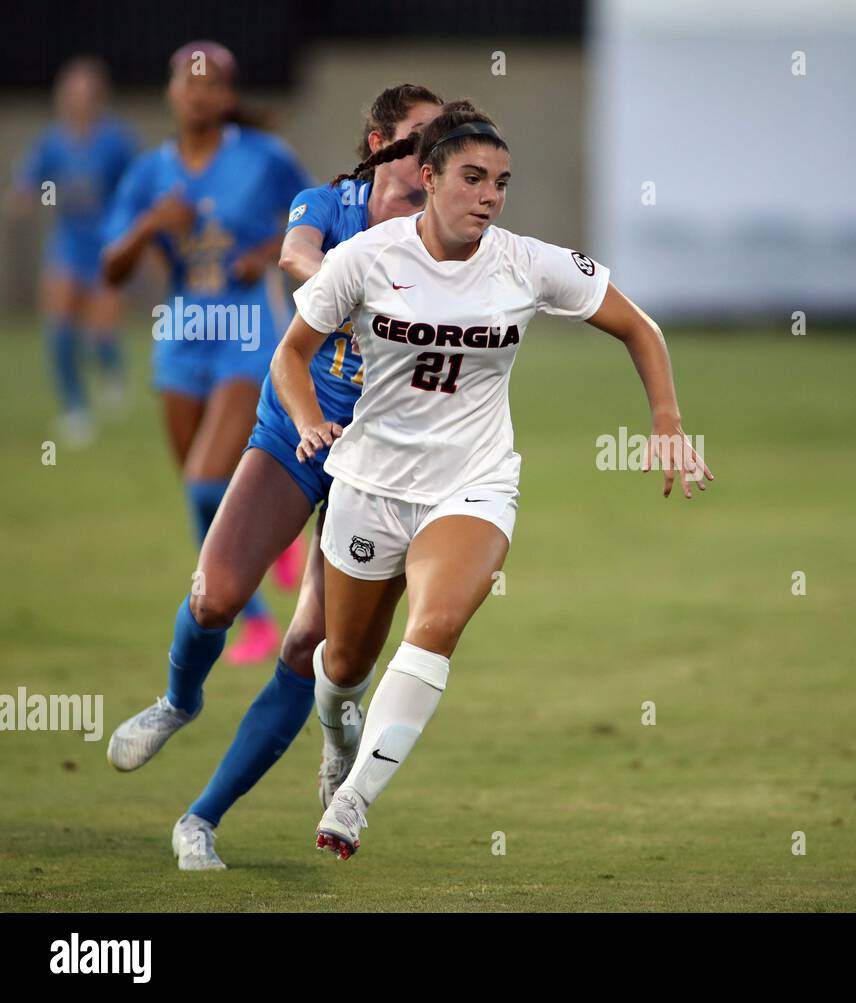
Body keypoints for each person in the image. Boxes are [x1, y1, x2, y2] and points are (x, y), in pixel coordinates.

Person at [271, 100, 714, 860]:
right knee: (341, 666)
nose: (489, 196)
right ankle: (339, 740)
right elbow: (290, 353)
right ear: (431, 176)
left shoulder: (524, 261)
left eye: (502, 182)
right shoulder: (367, 258)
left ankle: (353, 802)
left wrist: (668, 420)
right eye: (472, 178)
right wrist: (310, 418)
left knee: (437, 623)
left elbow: (639, 325)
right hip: (371, 482)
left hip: (471, 483)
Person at [105, 84, 443, 870]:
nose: (433, 151)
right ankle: (177, 700)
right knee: (216, 594)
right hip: (295, 430)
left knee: (312, 648)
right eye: (419, 134)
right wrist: (342, 281)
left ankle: (201, 818)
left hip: (382, 461)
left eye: (443, 137)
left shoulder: (447, 237)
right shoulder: (328, 204)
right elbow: (295, 257)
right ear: (378, 141)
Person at [102, 41, 312, 664]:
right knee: (196, 483)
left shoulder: (266, 157)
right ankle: (267, 556)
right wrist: (148, 226)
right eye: (186, 83)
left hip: (248, 334)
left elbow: (318, 216)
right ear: (171, 92)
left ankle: (249, 620)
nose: (198, 94)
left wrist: (270, 248)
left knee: (202, 483)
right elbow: (111, 271)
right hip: (180, 334)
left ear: (227, 96)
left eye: (211, 84)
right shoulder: (148, 173)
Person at [9, 56, 136, 445]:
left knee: (100, 333)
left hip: (106, 248)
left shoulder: (116, 141)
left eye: (84, 94)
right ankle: (76, 409)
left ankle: (113, 371)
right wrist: (23, 199)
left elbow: (137, 189)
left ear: (97, 98)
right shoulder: (52, 141)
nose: (76, 101)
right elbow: (29, 182)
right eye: (70, 93)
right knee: (60, 331)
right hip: (67, 248)